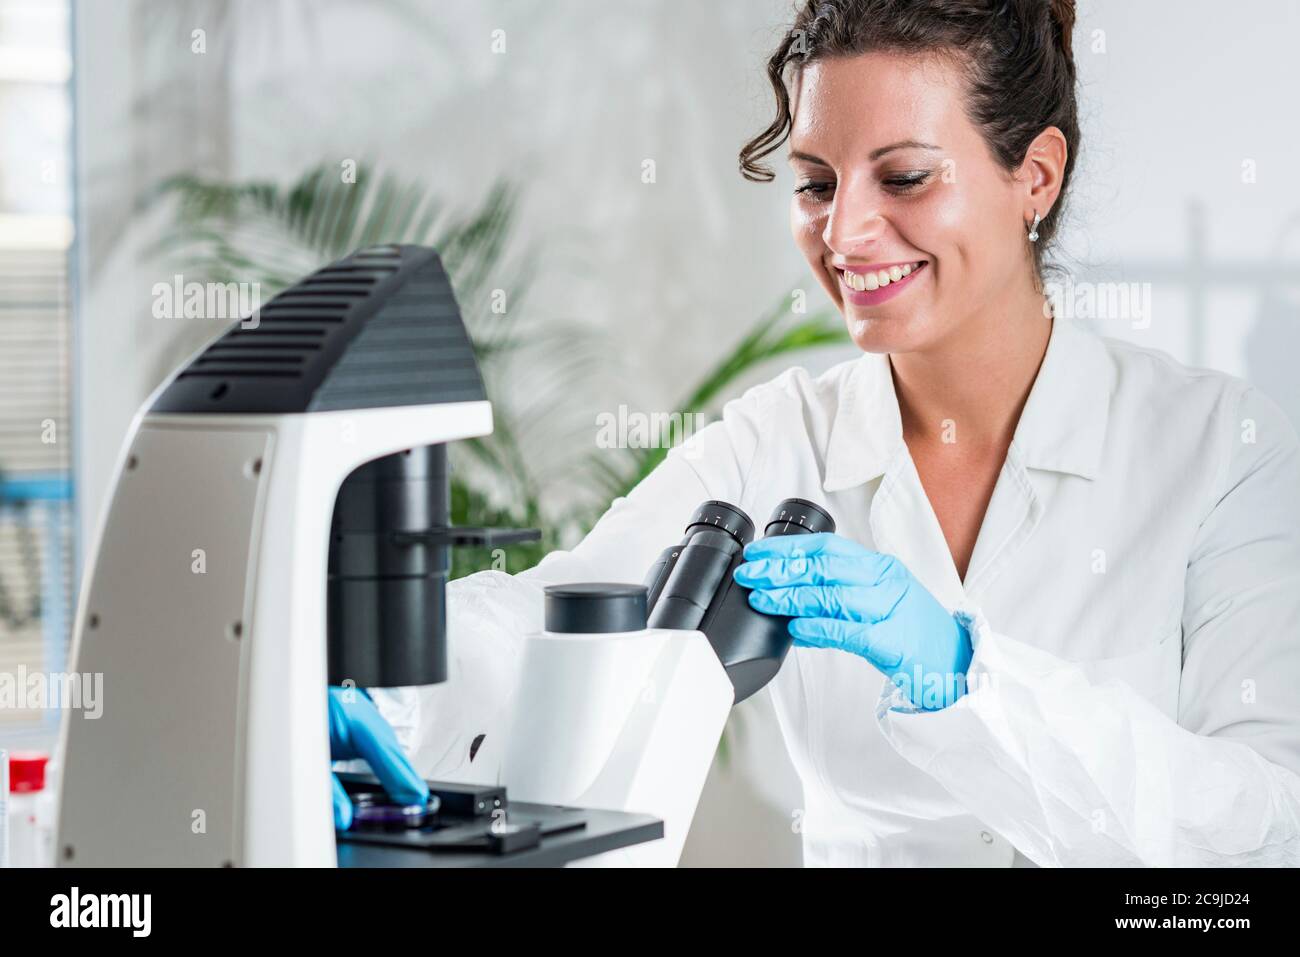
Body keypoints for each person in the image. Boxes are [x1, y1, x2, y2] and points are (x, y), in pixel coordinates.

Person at [334, 0, 1300, 866]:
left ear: (1035, 177)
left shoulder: (1222, 449)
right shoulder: (778, 441)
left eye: (906, 178)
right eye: (815, 183)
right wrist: (388, 678)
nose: (844, 233)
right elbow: (565, 620)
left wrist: (965, 678)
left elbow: (1267, 809)